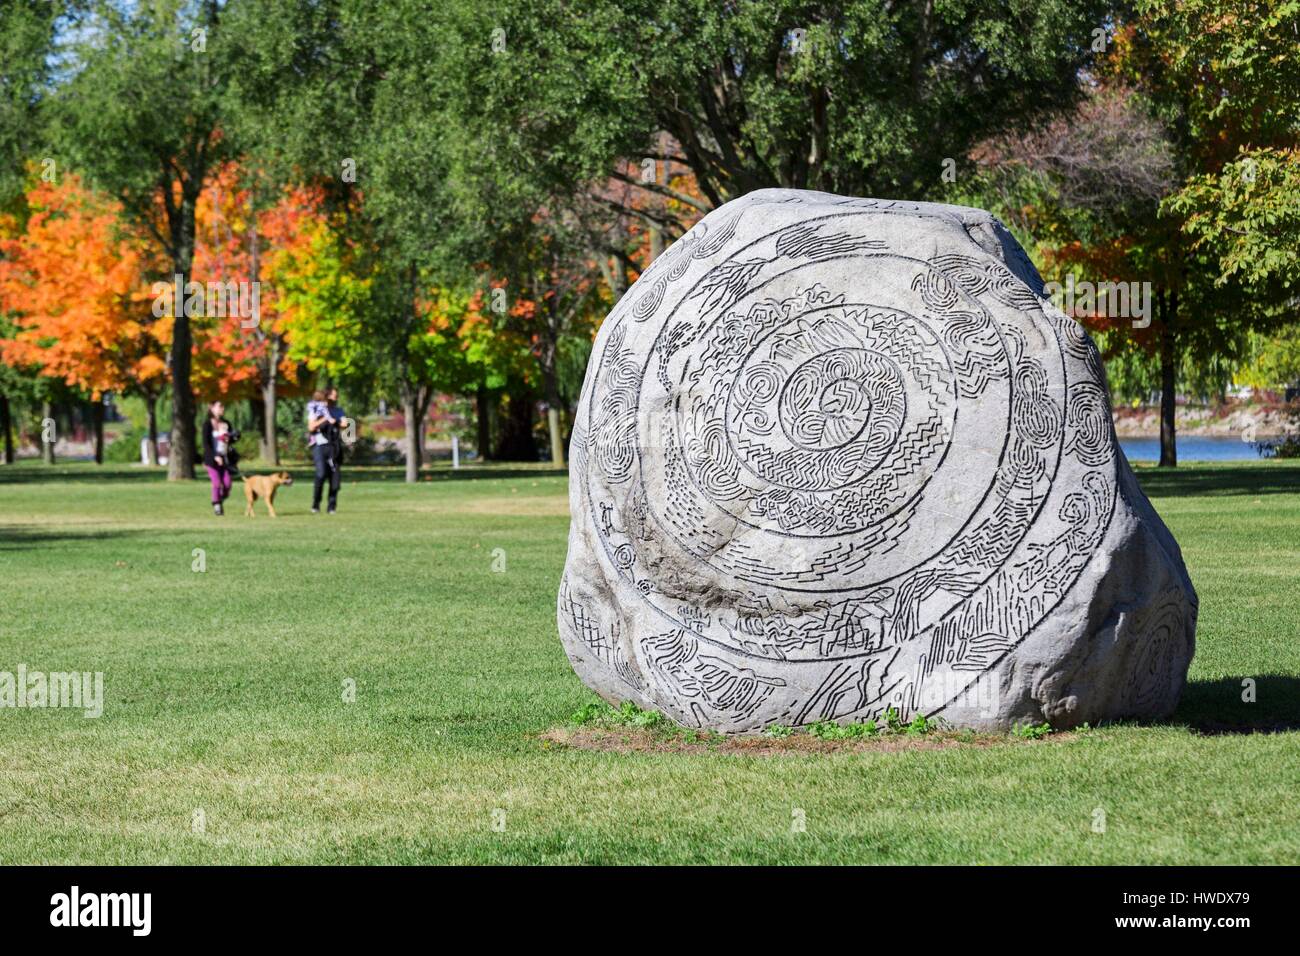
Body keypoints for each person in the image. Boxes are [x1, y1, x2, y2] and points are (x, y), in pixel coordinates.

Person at [308, 387, 349, 514]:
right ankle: (316, 503)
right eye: (333, 396)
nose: (335, 399)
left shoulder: (338, 410)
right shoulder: (315, 410)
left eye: (336, 396)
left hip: (334, 447)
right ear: (326, 397)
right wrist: (326, 417)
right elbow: (311, 427)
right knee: (320, 474)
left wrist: (334, 419)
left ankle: (332, 506)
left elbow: (345, 423)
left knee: (334, 477)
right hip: (319, 446)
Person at [202, 400, 237, 516]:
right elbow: (206, 444)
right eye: (220, 406)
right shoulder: (207, 424)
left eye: (223, 406)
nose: (222, 408)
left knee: (227, 484)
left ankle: (219, 499)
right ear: (212, 408)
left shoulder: (226, 423)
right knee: (217, 483)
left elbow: (231, 440)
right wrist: (215, 456)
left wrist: (235, 437)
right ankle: (217, 506)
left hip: (225, 458)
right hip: (211, 460)